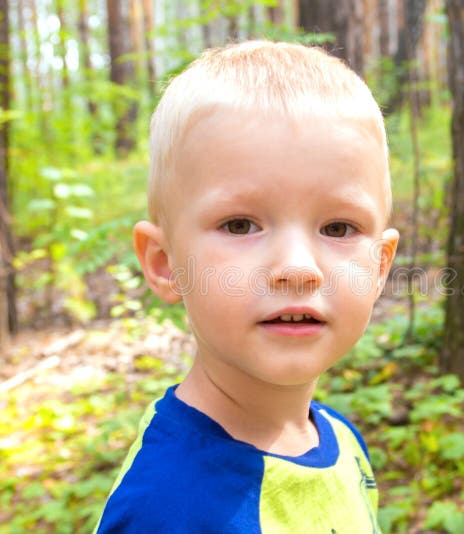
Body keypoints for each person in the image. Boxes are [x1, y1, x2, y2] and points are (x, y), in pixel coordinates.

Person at [94, 40, 399, 533]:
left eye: (338, 228)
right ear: (165, 263)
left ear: (380, 267)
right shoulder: (168, 508)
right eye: (240, 225)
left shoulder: (340, 441)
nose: (298, 268)